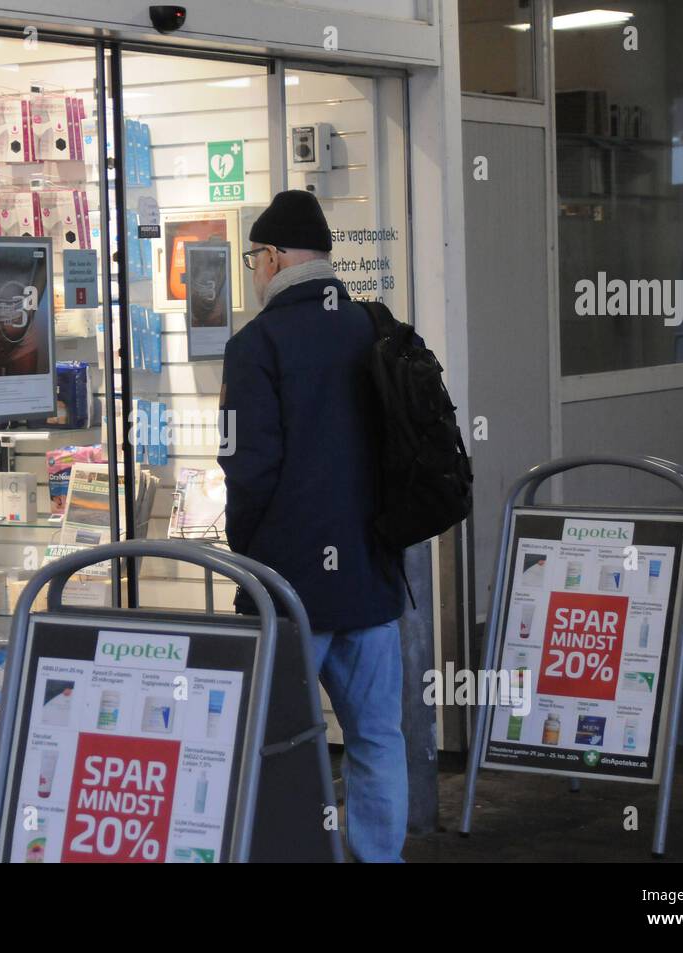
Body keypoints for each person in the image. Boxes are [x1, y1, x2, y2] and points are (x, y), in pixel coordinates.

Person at [218, 189, 408, 862]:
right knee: (377, 735)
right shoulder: (373, 326)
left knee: (272, 738)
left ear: (272, 257)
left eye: (253, 259)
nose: (253, 272)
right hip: (374, 576)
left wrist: (243, 554)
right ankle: (378, 856)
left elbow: (250, 469)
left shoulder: (255, 346)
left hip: (290, 585)